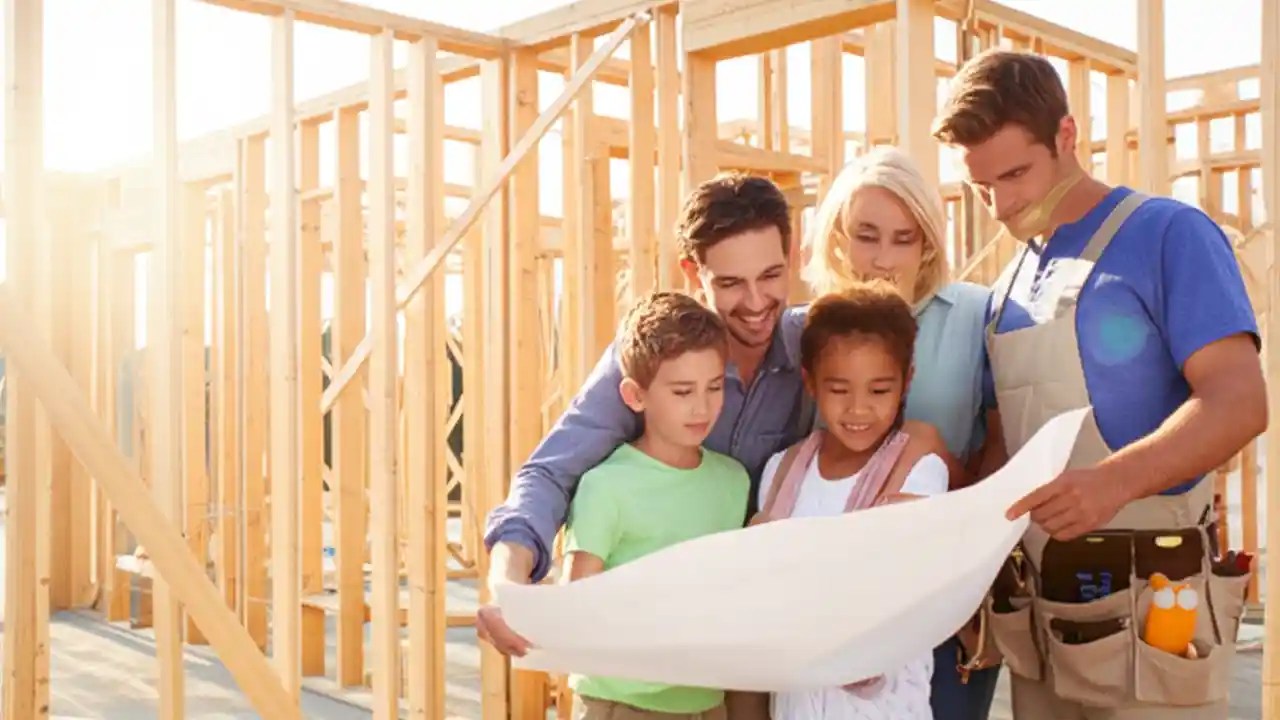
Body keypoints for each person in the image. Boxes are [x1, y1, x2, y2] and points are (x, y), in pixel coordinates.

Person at [932, 48, 1266, 719]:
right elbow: (1003, 453)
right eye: (982, 186)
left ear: (1066, 135)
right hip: (1046, 627)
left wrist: (1111, 482)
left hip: (1153, 617)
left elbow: (1239, 403)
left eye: (1017, 174)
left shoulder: (1167, 235)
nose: (1002, 203)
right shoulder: (1003, 293)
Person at [480, 172, 813, 719]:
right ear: (693, 273)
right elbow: (551, 473)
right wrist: (507, 583)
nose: (756, 302)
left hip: (741, 659)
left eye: (771, 275)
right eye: (730, 283)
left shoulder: (812, 349)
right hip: (637, 681)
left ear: (792, 254)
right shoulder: (652, 358)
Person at [801, 146, 1001, 718]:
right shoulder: (811, 328)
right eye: (867, 235)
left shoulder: (976, 315)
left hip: (950, 594)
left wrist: (939, 457)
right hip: (839, 605)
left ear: (928, 245)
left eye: (903, 238)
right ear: (838, 235)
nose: (882, 259)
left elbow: (1002, 449)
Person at [749, 281, 951, 719]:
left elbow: (894, 590)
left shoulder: (919, 471)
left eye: (879, 391)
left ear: (906, 380)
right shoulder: (780, 471)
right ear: (810, 383)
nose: (859, 409)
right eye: (840, 390)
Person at [562, 290, 747, 720]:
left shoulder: (734, 481)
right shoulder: (607, 486)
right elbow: (575, 605)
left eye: (714, 387)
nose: (702, 406)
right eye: (682, 391)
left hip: (707, 703)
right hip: (622, 704)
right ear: (635, 395)